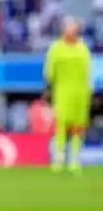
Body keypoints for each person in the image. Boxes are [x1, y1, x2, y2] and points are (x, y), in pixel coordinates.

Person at [44, 17, 93, 174]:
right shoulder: (56, 49)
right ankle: (59, 159)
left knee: (78, 128)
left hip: (81, 94)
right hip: (63, 94)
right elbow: (49, 74)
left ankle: (74, 159)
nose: (72, 31)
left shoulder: (83, 49)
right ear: (64, 29)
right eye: (69, 28)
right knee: (61, 127)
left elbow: (88, 73)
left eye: (74, 28)